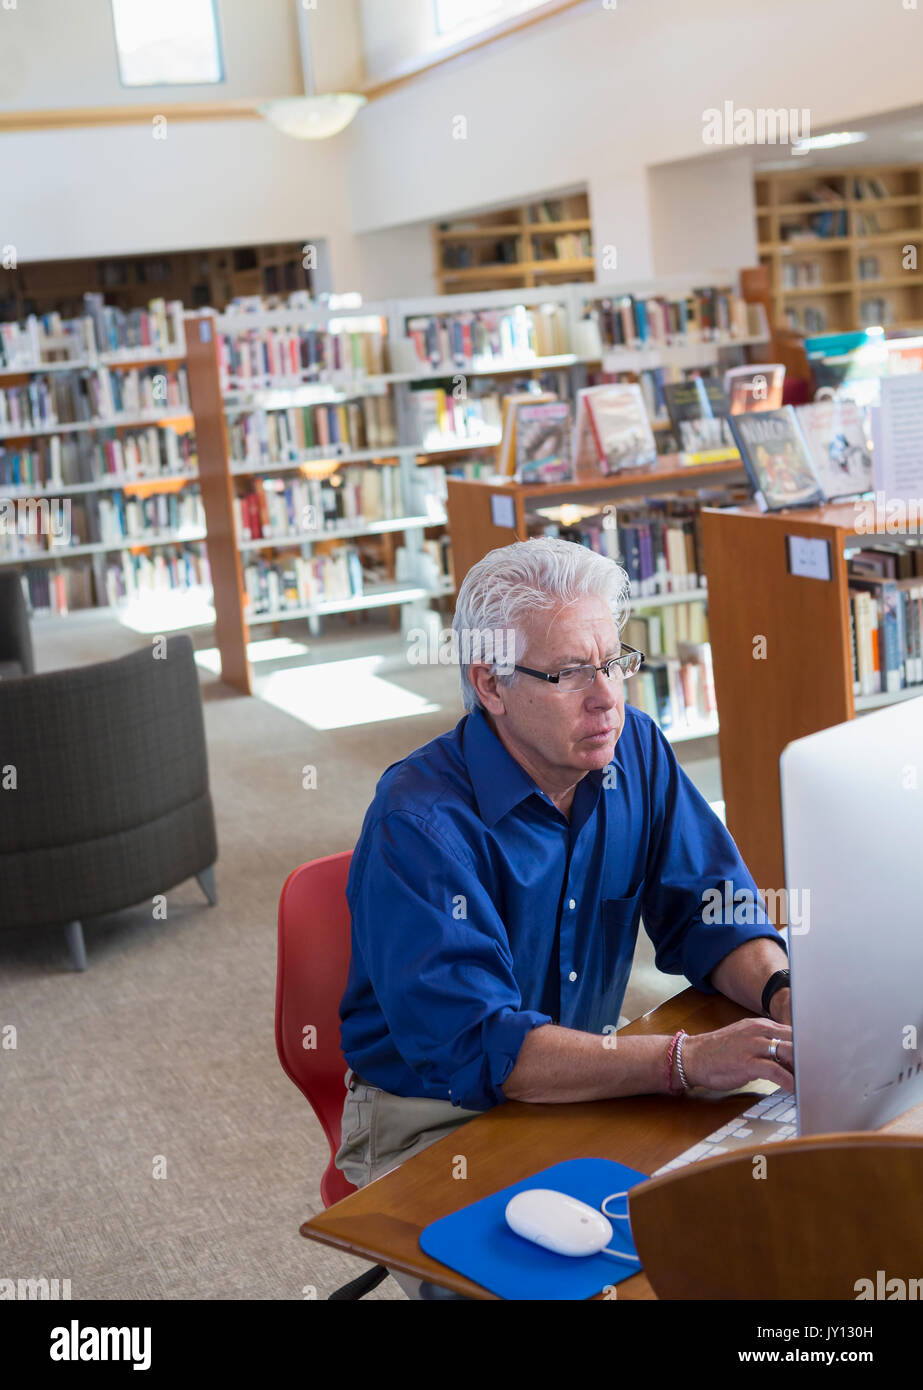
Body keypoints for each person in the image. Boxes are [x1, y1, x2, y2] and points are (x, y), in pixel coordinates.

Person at [336, 537, 792, 1292]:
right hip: (431, 1112)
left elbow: (712, 912)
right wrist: (679, 1062)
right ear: (490, 684)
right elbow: (482, 1049)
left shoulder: (632, 749)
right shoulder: (416, 823)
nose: (608, 696)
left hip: (586, 1071)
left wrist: (783, 995)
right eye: (571, 672)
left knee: (739, 1226)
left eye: (613, 662)